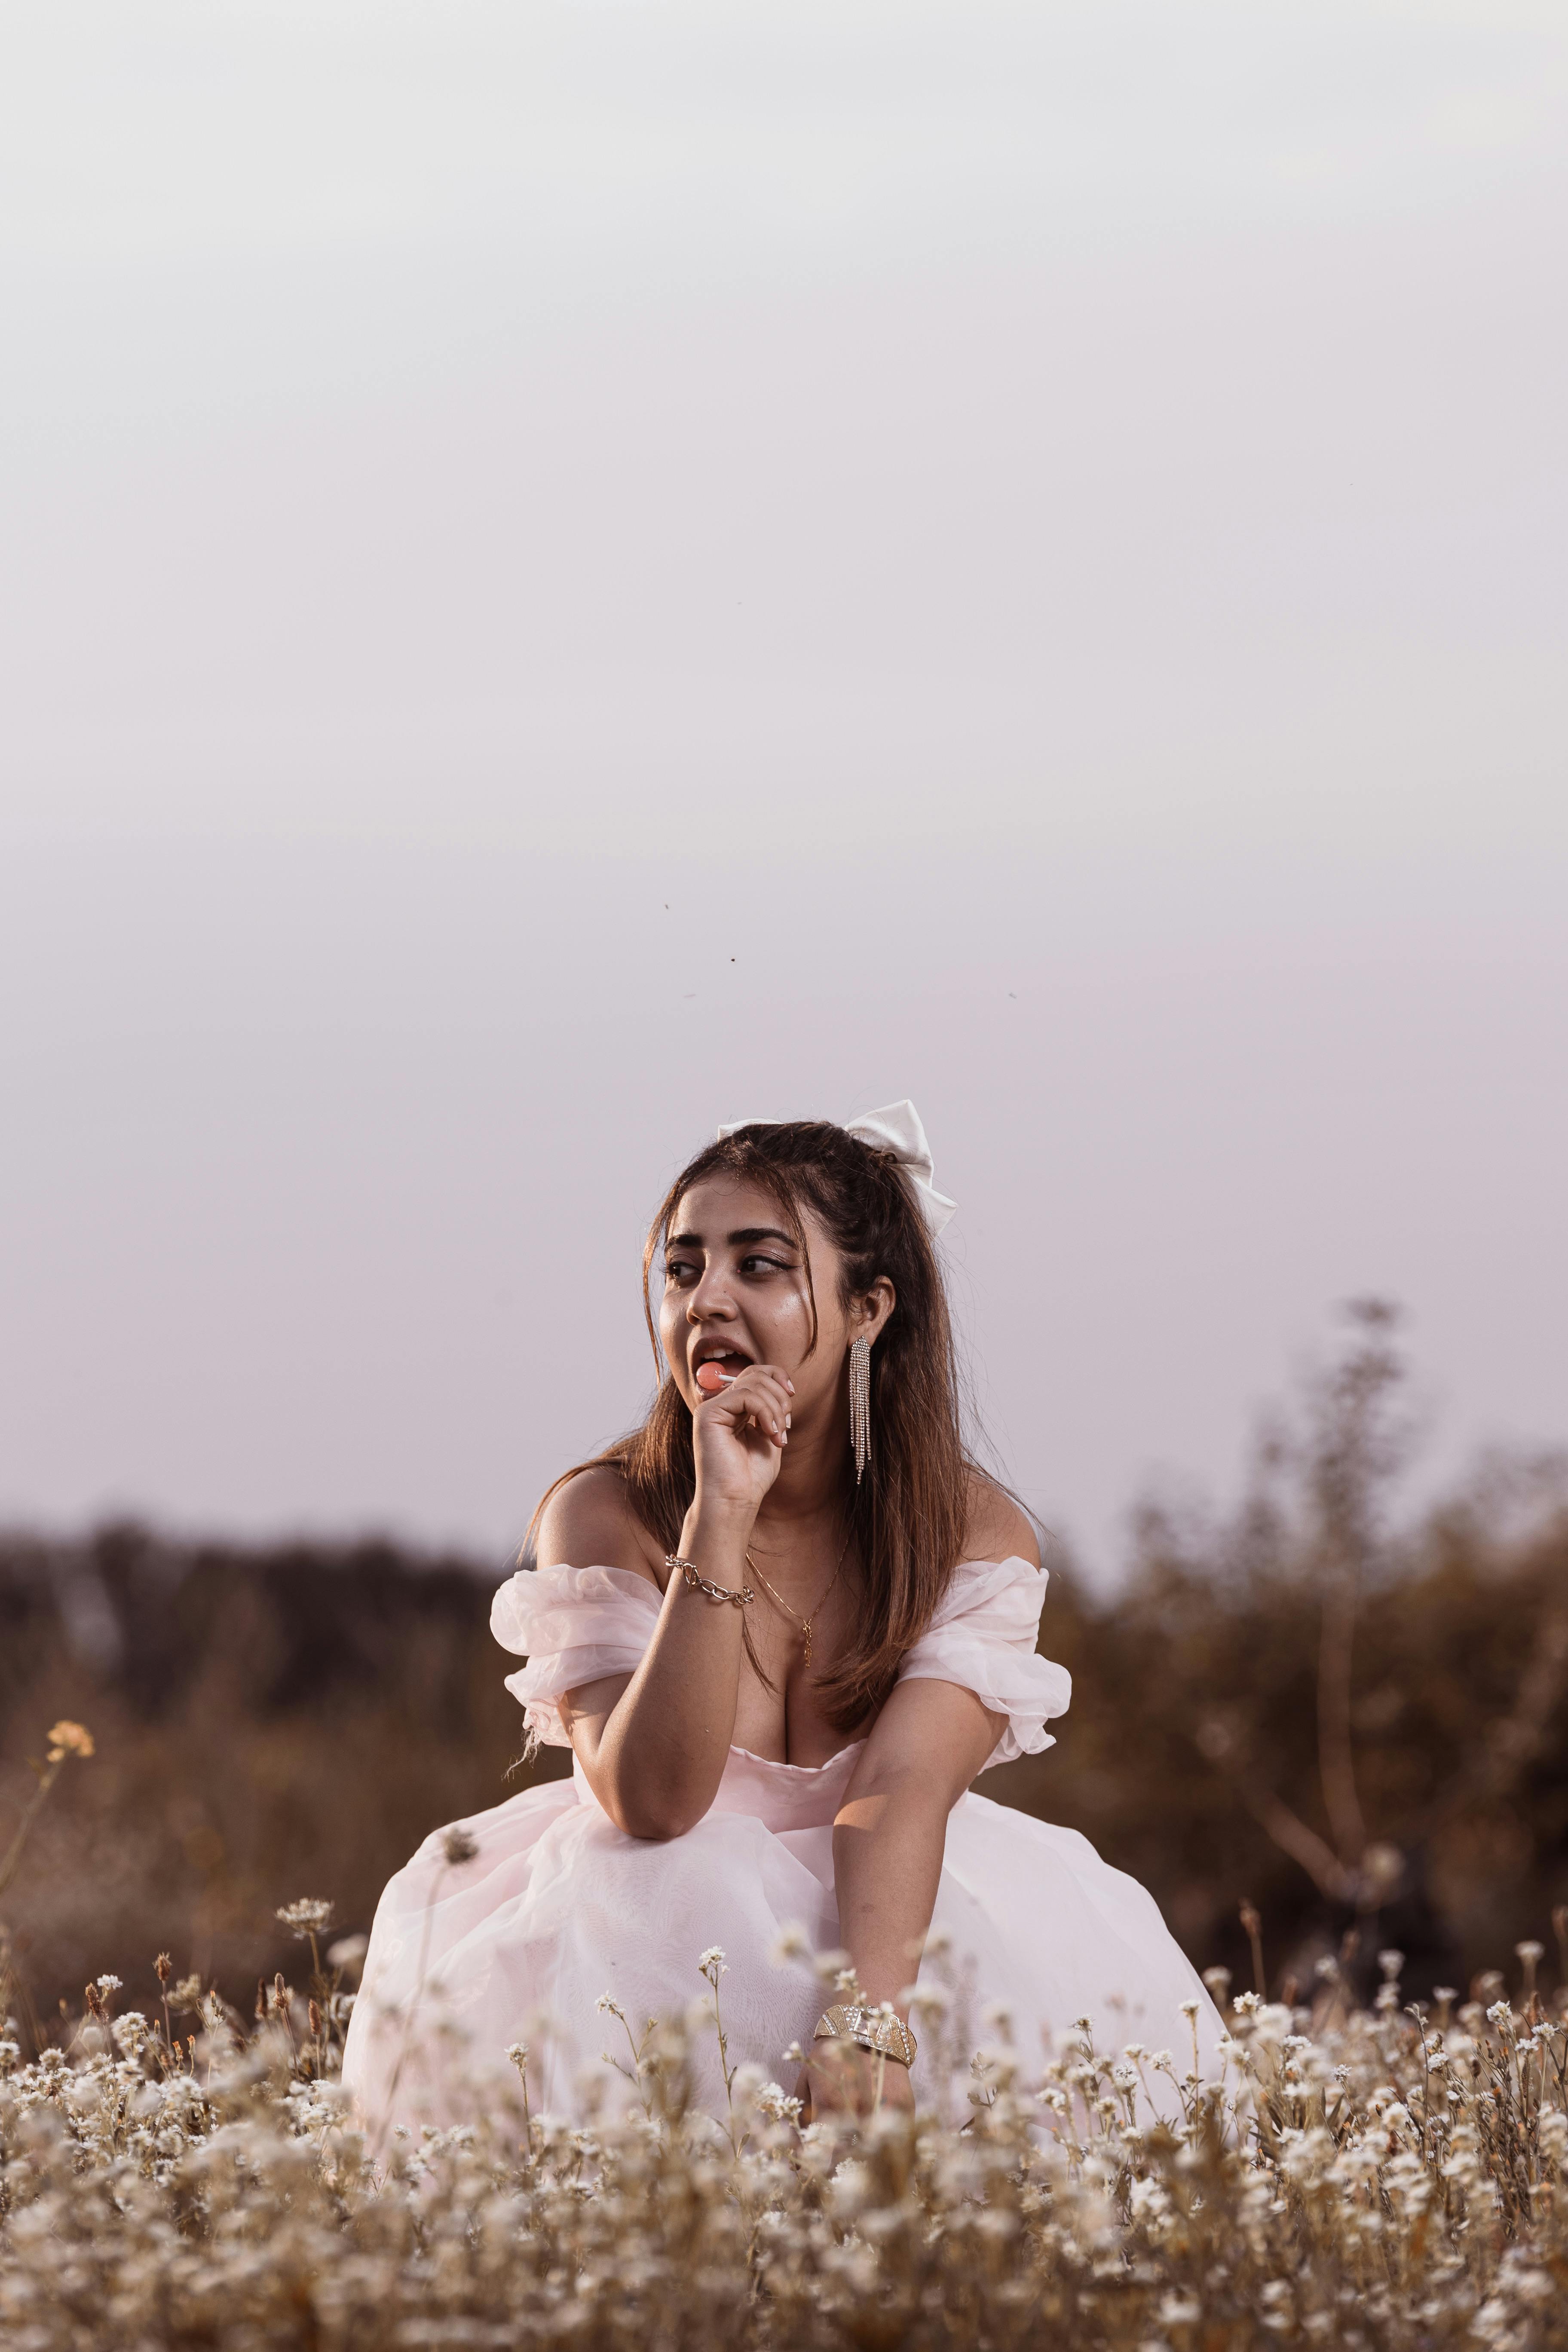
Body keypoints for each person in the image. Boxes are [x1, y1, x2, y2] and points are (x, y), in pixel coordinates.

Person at [343, 1106, 1223, 2131]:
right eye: (682, 1270)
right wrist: (719, 1516)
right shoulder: (601, 1512)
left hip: (890, 1911)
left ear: (867, 1308)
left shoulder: (972, 1532)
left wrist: (872, 2031)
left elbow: (898, 1793)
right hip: (640, 1935)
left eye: (758, 1266)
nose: (706, 1299)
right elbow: (653, 1803)